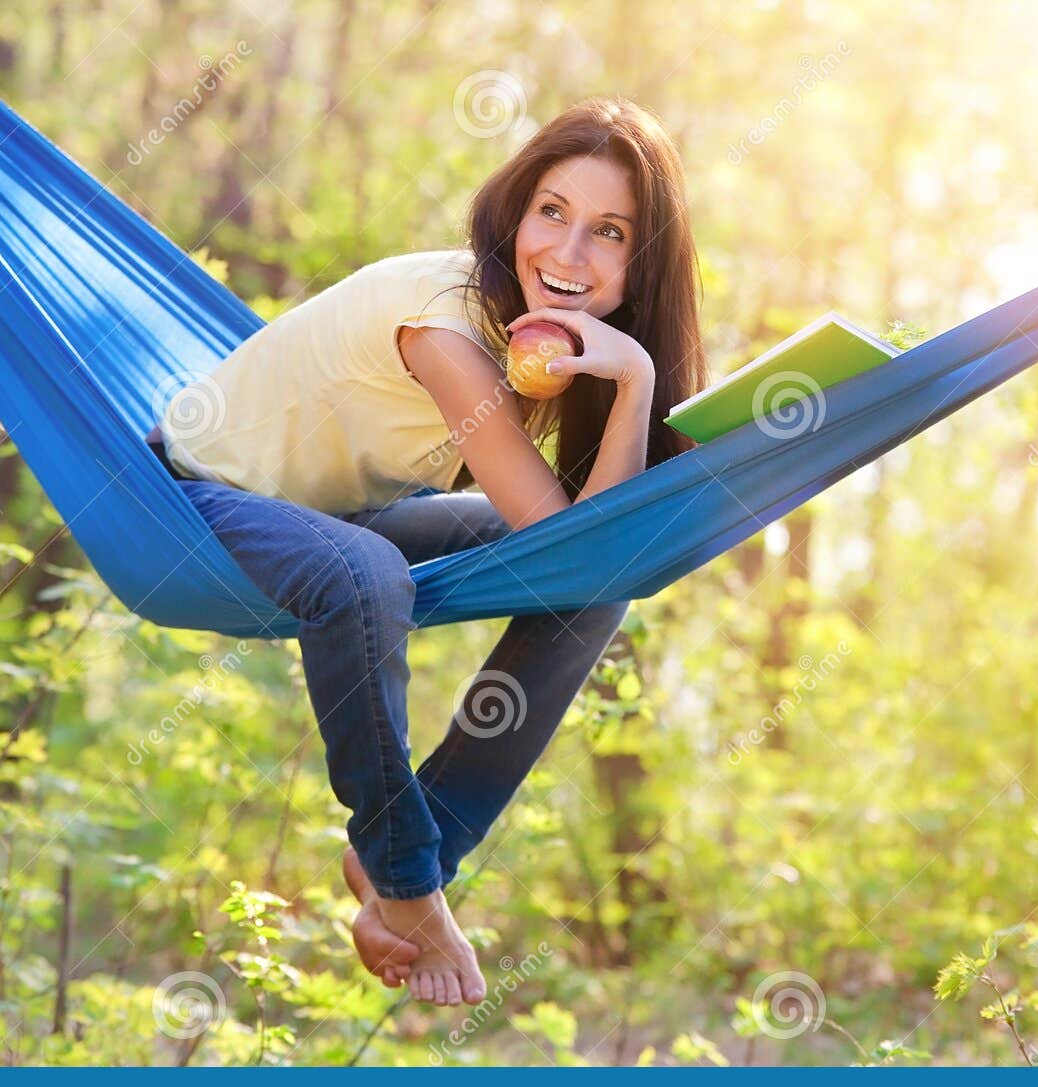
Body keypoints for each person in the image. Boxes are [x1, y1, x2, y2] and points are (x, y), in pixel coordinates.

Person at [143, 97, 706, 1006]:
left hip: (336, 514)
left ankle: (408, 851)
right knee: (369, 577)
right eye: (552, 211)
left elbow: (592, 557)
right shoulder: (448, 329)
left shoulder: (557, 343)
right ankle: (408, 880)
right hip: (201, 499)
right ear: (515, 212)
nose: (566, 254)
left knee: (606, 586)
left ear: (641, 264)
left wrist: (635, 376)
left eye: (608, 231)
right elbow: (557, 537)